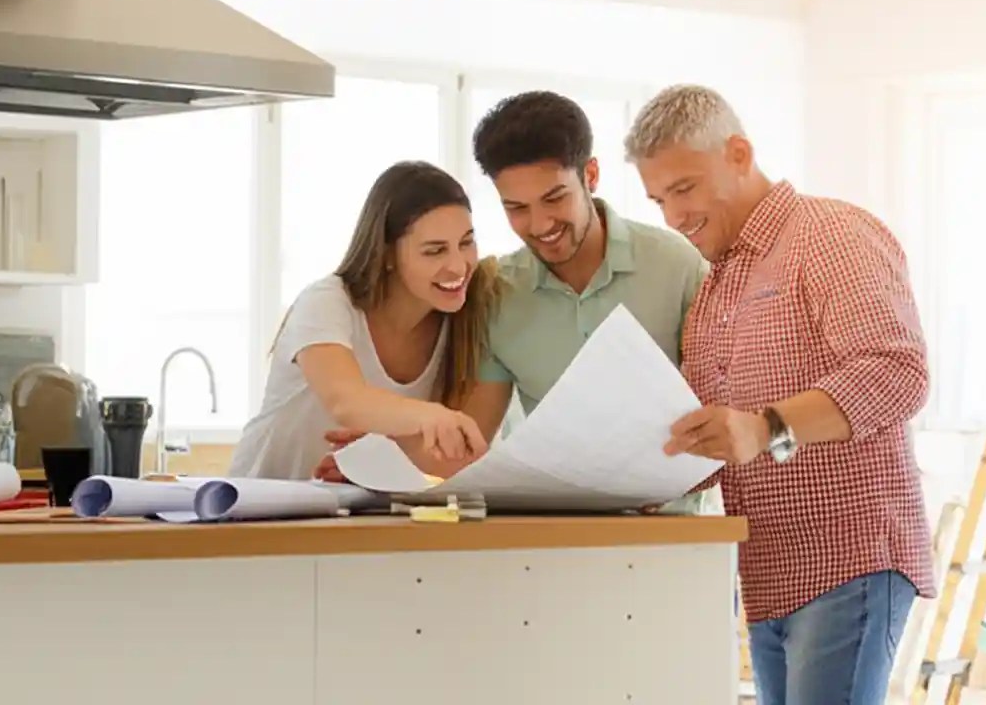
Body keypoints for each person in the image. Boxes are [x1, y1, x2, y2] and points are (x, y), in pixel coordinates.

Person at [624, 84, 935, 704]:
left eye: (684, 189)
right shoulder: (718, 283)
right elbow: (719, 436)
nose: (673, 217)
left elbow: (897, 370)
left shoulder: (830, 235)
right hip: (768, 571)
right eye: (659, 199)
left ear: (738, 154)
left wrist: (765, 427)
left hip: (847, 559)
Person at [314, 90, 717, 515]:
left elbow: (720, 410)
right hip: (555, 532)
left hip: (676, 532)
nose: (540, 224)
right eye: (516, 207)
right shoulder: (498, 293)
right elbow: (468, 447)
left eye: (554, 198)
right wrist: (383, 457)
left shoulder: (677, 265)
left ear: (591, 175)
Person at [228, 160, 502, 481]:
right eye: (434, 251)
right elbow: (346, 401)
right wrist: (433, 417)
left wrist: (380, 459)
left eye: (466, 243)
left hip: (345, 516)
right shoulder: (328, 302)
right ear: (386, 255)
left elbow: (457, 460)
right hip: (253, 508)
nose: (458, 266)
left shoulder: (462, 325)